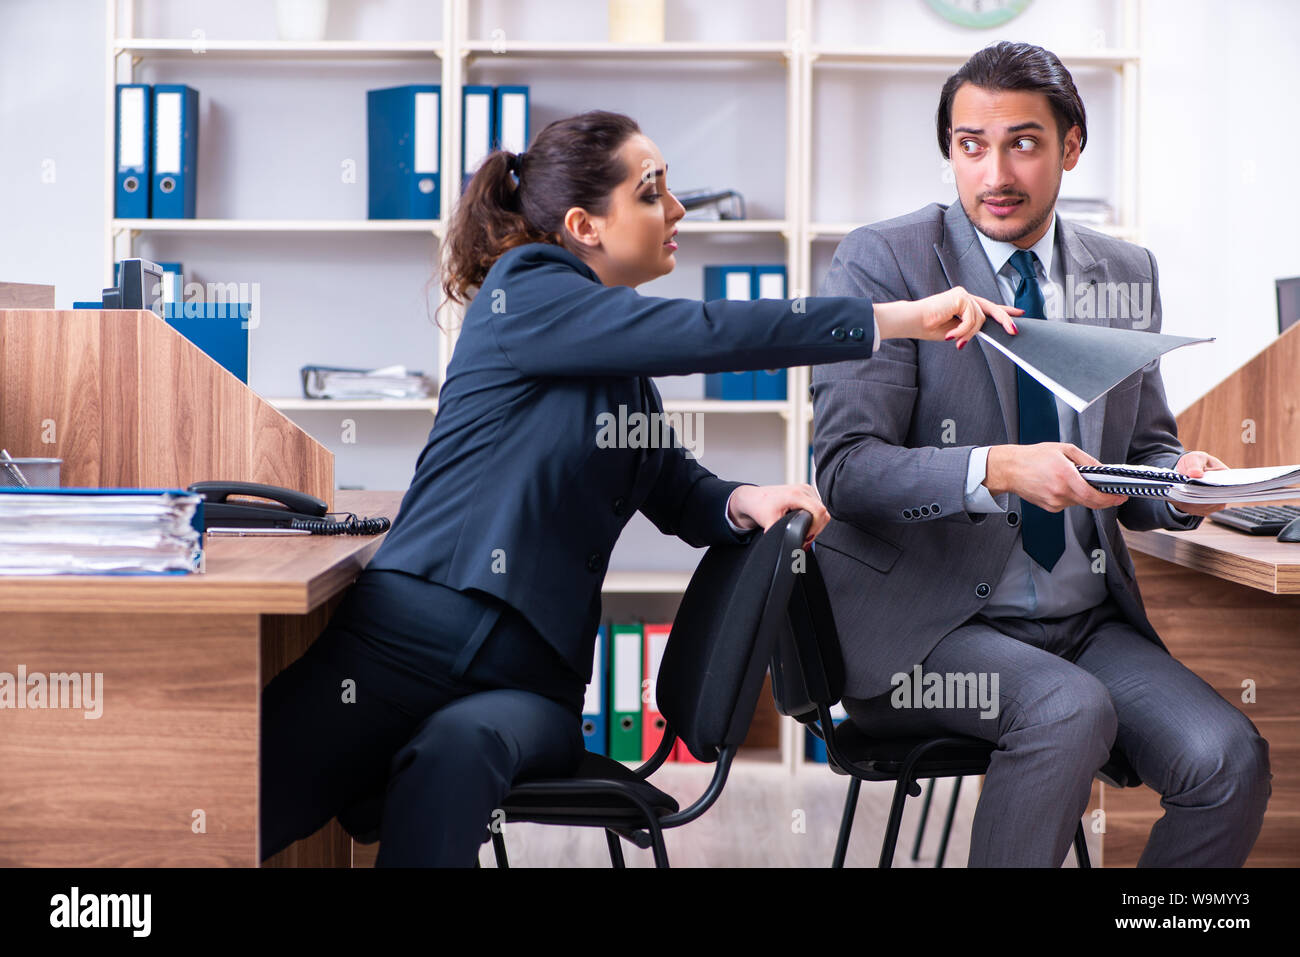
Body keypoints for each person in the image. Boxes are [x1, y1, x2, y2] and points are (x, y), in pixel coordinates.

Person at [259, 110, 1019, 866]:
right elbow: (707, 331)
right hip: (404, 643)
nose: (679, 209)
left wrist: (737, 499)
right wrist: (898, 318)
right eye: (653, 192)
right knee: (235, 793)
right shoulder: (523, 288)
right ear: (586, 226)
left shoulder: (622, 370)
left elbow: (673, 485)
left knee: (456, 753)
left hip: (527, 689)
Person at [810, 41, 1271, 867]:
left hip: (1079, 622)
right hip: (932, 625)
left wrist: (1182, 483)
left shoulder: (1123, 272)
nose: (995, 173)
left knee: (1227, 759)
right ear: (950, 149)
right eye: (970, 145)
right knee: (1068, 709)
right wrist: (995, 469)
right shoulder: (885, 262)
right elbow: (846, 470)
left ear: (1071, 145)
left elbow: (1141, 451)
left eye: (1022, 142)